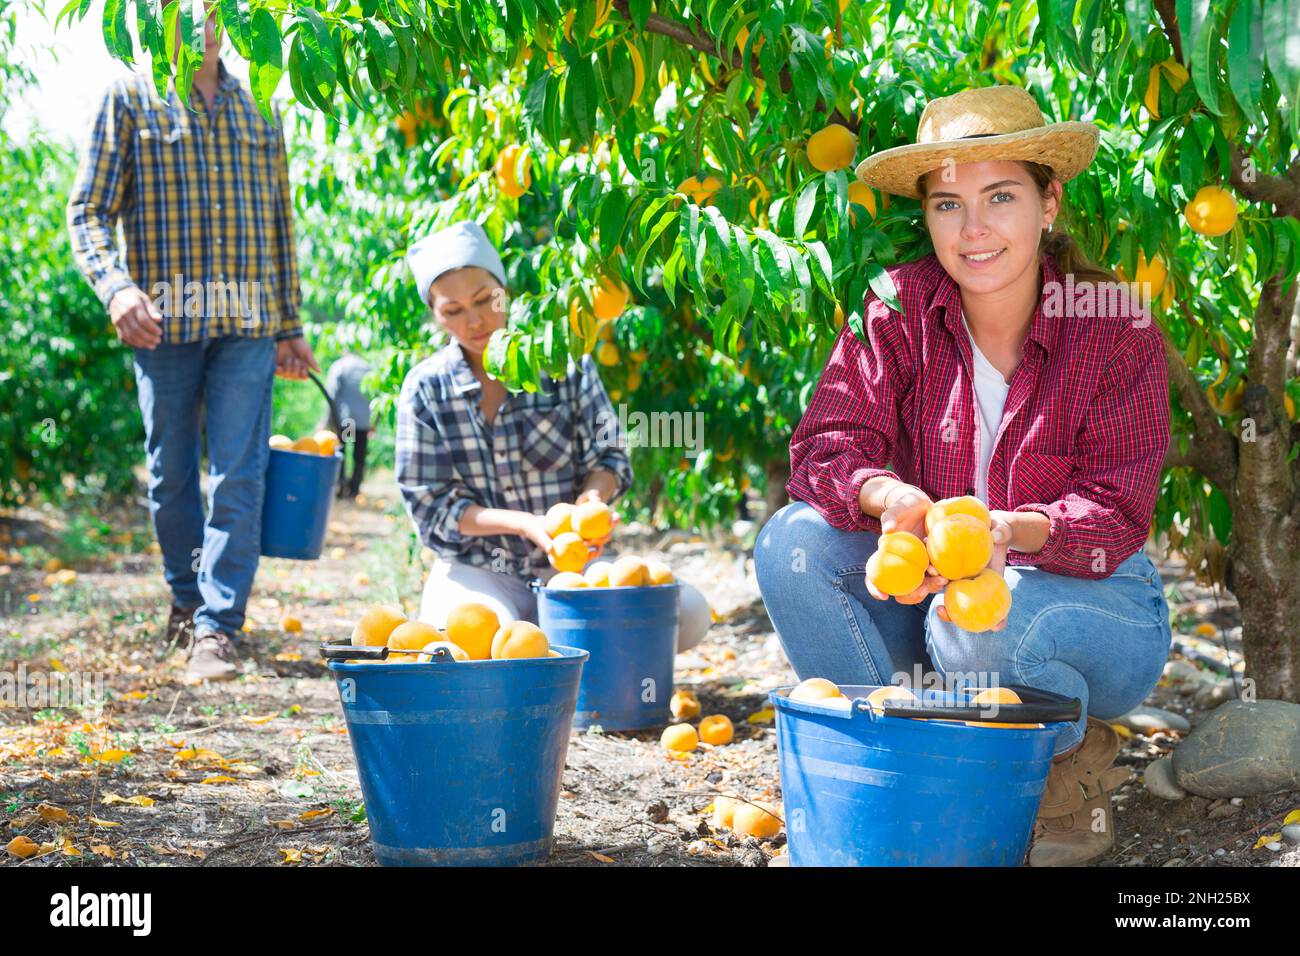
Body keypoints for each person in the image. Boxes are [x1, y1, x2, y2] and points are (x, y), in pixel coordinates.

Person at [753, 85, 1172, 866]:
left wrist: (1005, 534)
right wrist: (892, 500)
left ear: (1050, 202)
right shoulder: (897, 307)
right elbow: (824, 446)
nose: (973, 229)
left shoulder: (1112, 323)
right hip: (943, 591)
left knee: (979, 619)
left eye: (1000, 196)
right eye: (948, 204)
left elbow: (1115, 514)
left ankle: (1057, 763)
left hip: (1095, 602)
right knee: (791, 546)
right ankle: (914, 769)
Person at [67, 4, 319, 682]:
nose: (200, 22)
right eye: (181, 11)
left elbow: (279, 223)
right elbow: (87, 210)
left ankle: (217, 626)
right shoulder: (129, 96)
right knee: (172, 473)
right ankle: (187, 599)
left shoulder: (261, 105)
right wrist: (117, 289)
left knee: (240, 473)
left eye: (212, 11)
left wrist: (289, 326)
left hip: (247, 327)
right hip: (164, 322)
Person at [396, 220, 711, 651]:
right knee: (474, 641)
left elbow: (609, 457)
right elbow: (432, 508)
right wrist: (528, 525)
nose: (476, 321)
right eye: (452, 310)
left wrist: (592, 501)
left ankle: (569, 663)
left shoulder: (565, 364)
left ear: (505, 289)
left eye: (486, 299)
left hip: (572, 567)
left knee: (687, 612)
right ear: (434, 313)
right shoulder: (426, 388)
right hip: (480, 571)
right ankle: (561, 658)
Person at [318, 353, 374, 499]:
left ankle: (341, 487)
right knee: (359, 456)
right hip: (364, 421)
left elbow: (332, 395)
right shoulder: (367, 367)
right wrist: (374, 422)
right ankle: (354, 490)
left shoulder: (340, 366)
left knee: (343, 452)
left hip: (348, 420)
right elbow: (376, 394)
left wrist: (326, 422)